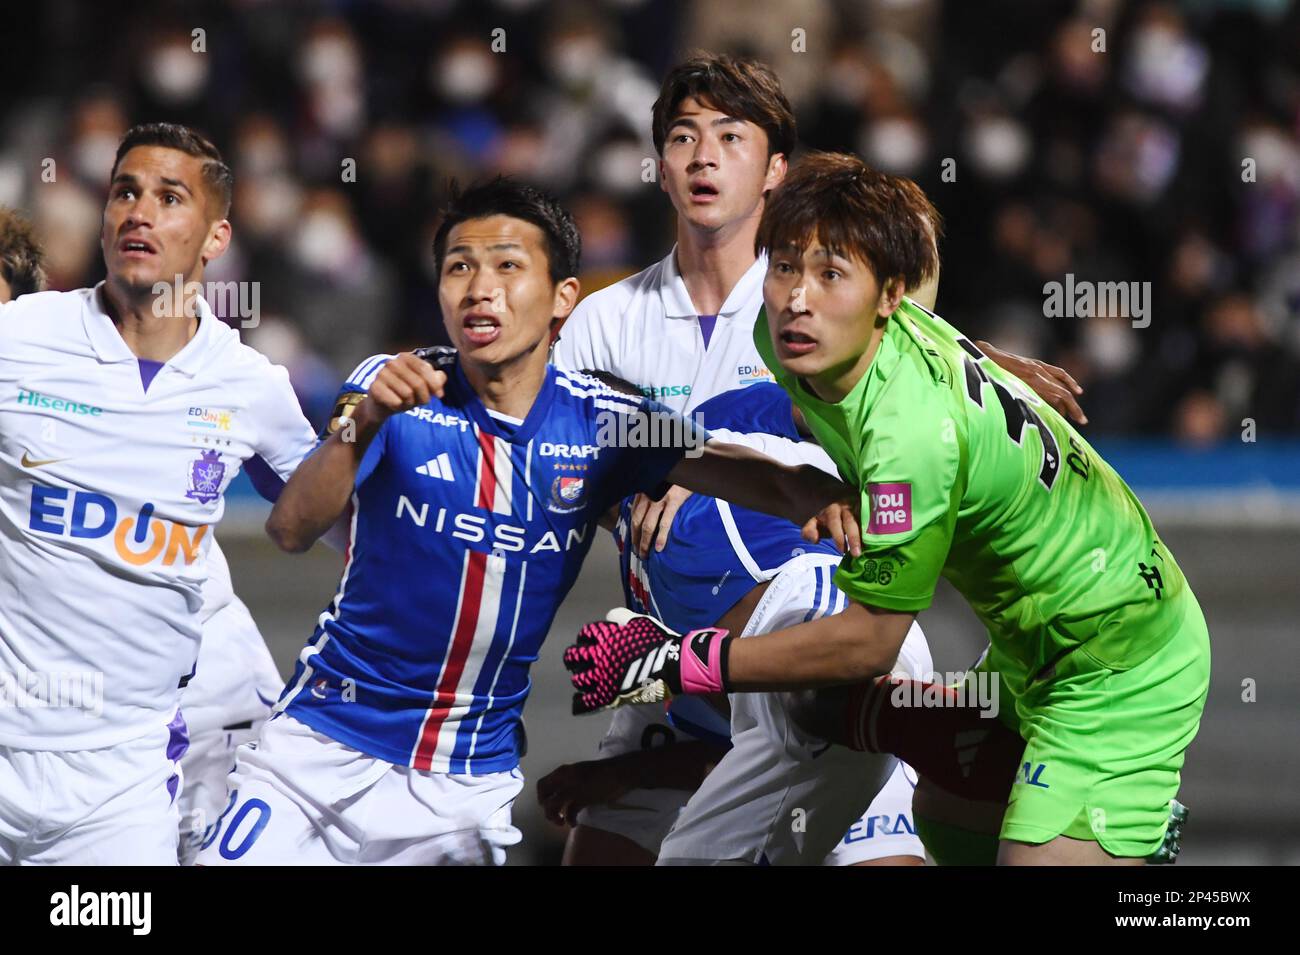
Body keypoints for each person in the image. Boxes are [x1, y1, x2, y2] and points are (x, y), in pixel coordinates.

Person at [564, 153, 1211, 866]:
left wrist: (680, 661)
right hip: (1036, 642)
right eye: (783, 266)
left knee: (845, 691)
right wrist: (683, 460)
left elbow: (869, 643)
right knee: (910, 783)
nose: (797, 297)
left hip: (1121, 660)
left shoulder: (909, 441)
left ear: (889, 295)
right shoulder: (800, 338)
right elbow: (786, 421)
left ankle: (1134, 837)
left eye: (830, 273)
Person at [195, 177, 858, 866]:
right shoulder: (394, 386)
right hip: (318, 750)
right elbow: (292, 529)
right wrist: (361, 427)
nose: (480, 288)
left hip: (460, 788)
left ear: (562, 298)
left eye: (508, 265)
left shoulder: (608, 422)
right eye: (459, 267)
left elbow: (756, 474)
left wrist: (839, 501)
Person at [0, 123, 316, 864]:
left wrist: (372, 432)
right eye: (124, 192)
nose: (139, 211)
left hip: (123, 782)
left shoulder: (249, 386)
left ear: (216, 238)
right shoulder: (19, 336)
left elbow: (329, 525)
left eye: (169, 197)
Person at [539, 379, 932, 866]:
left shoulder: (716, 429)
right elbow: (740, 741)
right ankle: (916, 721)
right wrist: (630, 770)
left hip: (836, 619)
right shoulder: (639, 586)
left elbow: (854, 396)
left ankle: (931, 720)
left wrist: (973, 363)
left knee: (818, 701)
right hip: (778, 704)